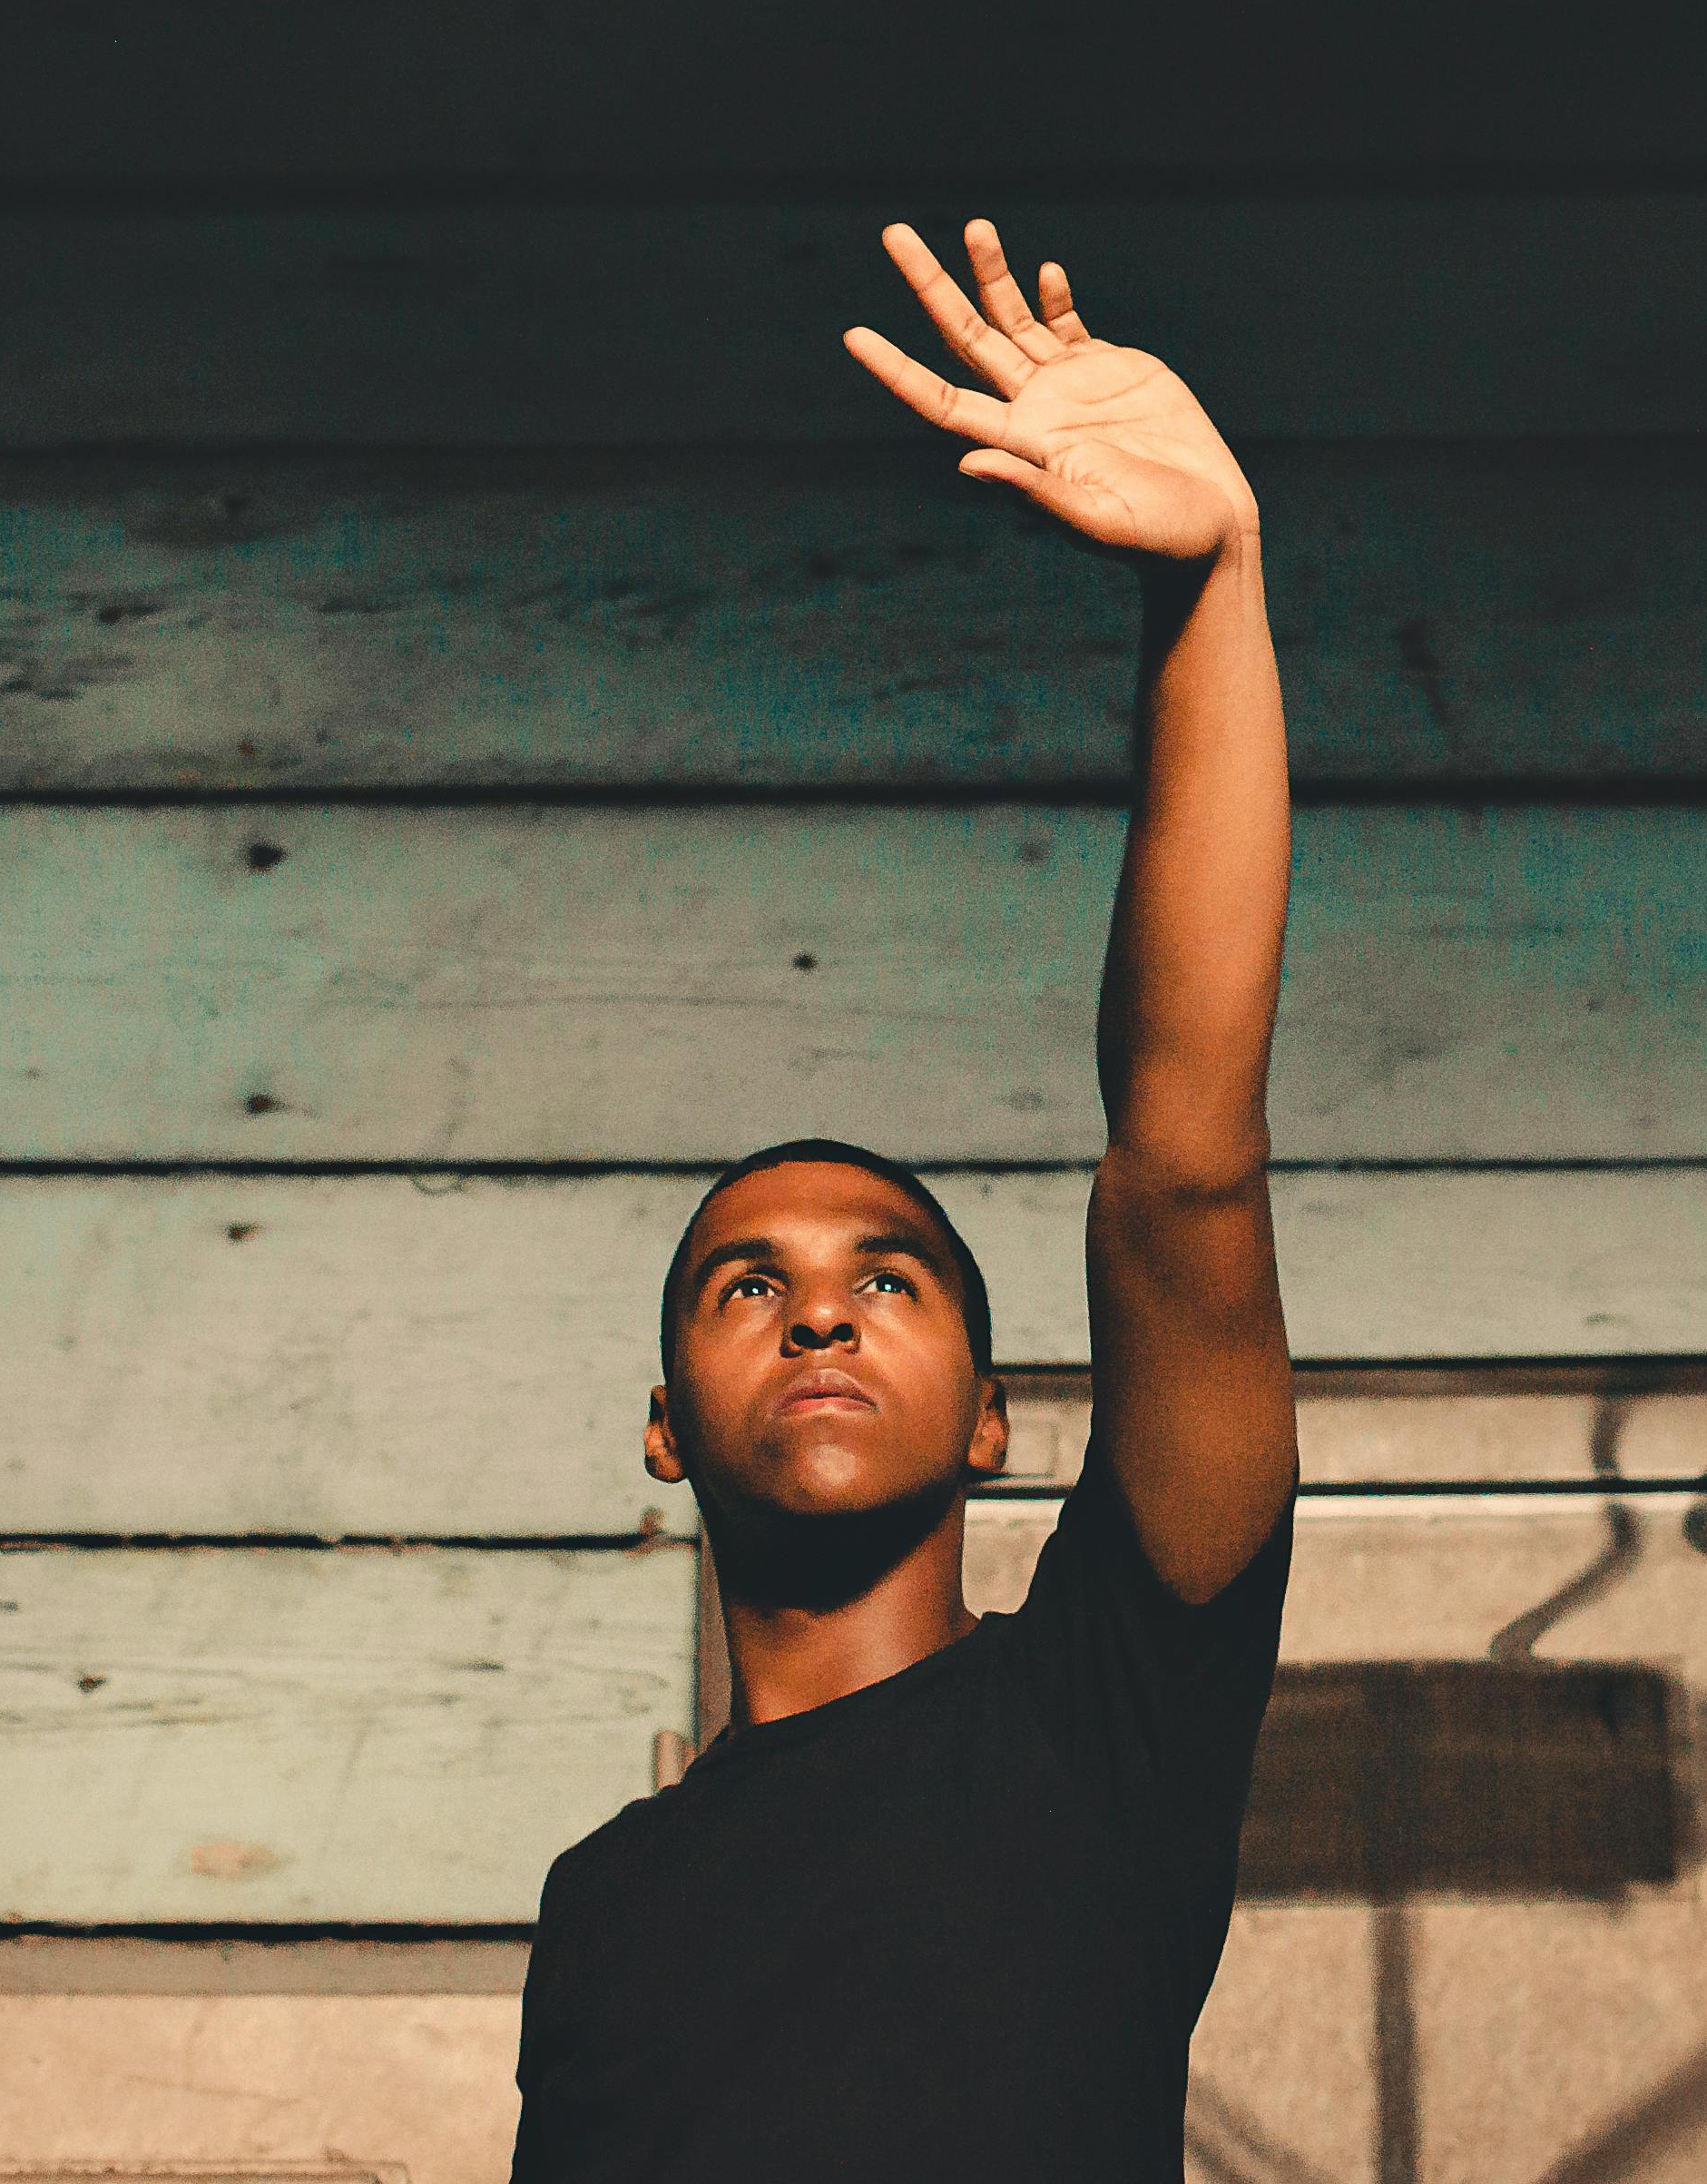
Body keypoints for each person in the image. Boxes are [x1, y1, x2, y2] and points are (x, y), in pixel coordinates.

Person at [508, 217, 1300, 2183]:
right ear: (664, 1430)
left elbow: (1183, 1162)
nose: (820, 1311)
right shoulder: (605, 1904)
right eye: (743, 1286)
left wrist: (1210, 594)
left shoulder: (1099, 1716)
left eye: (892, 1280)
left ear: (999, 1410)